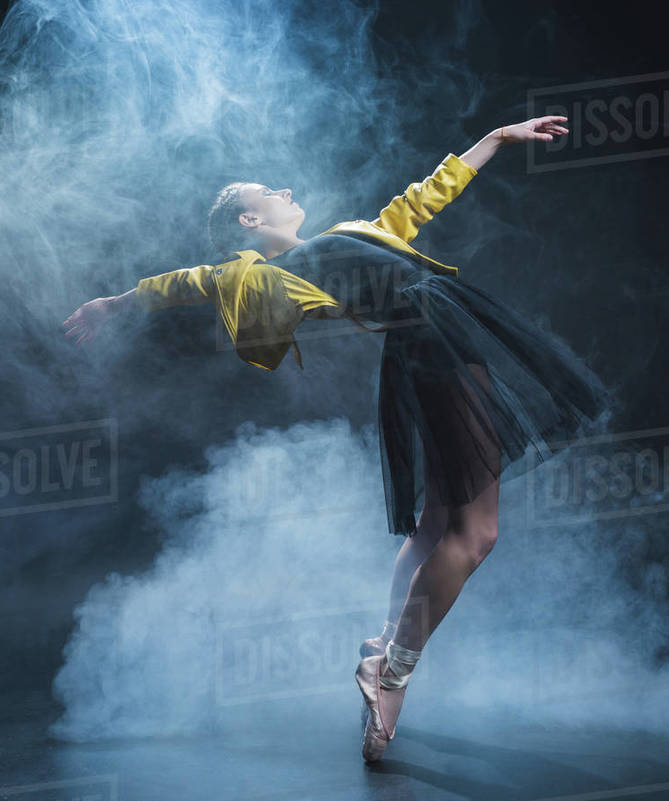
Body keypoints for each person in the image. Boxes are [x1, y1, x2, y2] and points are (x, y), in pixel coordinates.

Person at [62, 117, 611, 762]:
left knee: (436, 524)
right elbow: (188, 282)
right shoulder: (265, 273)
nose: (286, 189)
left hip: (444, 345)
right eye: (269, 190)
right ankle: (392, 673)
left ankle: (384, 646)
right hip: (434, 350)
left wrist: (495, 138)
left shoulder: (351, 233)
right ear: (248, 222)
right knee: (476, 533)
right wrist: (115, 303)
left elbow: (427, 195)